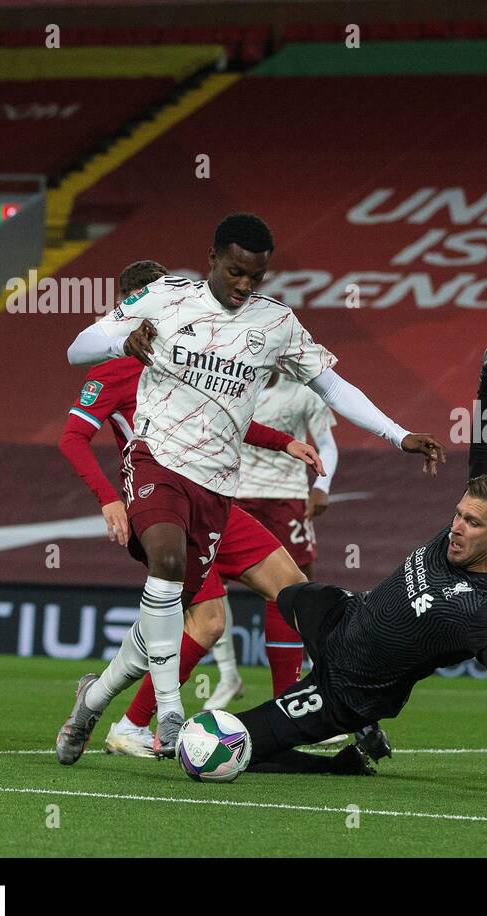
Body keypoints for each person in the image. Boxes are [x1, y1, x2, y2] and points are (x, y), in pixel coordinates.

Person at [56, 213, 445, 760]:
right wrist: (124, 338)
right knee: (170, 570)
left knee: (295, 595)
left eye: (256, 277)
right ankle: (168, 713)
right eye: (236, 272)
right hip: (156, 465)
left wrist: (397, 434)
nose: (244, 285)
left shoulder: (275, 324)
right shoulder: (166, 295)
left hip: (217, 491)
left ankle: (95, 699)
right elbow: (79, 348)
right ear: (212, 258)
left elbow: (333, 385)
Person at [231, 308, 487, 776]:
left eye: (471, 523)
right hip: (339, 616)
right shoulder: (467, 528)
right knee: (271, 577)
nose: (456, 526)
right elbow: (485, 451)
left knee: (227, 746)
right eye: (457, 514)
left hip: (349, 691)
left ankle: (340, 761)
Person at [57, 259, 318, 757]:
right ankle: (139, 716)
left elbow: (225, 419)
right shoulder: (115, 368)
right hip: (161, 497)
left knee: (288, 590)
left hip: (213, 495)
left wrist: (282, 442)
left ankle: (288, 717)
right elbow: (73, 437)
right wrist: (109, 499)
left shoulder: (190, 354)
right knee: (203, 619)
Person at [203, 374, 340, 710]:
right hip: (235, 494)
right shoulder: (229, 383)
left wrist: (322, 486)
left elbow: (327, 445)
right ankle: (228, 675)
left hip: (288, 497)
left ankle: (312, 686)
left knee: (299, 589)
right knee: (208, 580)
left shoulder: (304, 392)